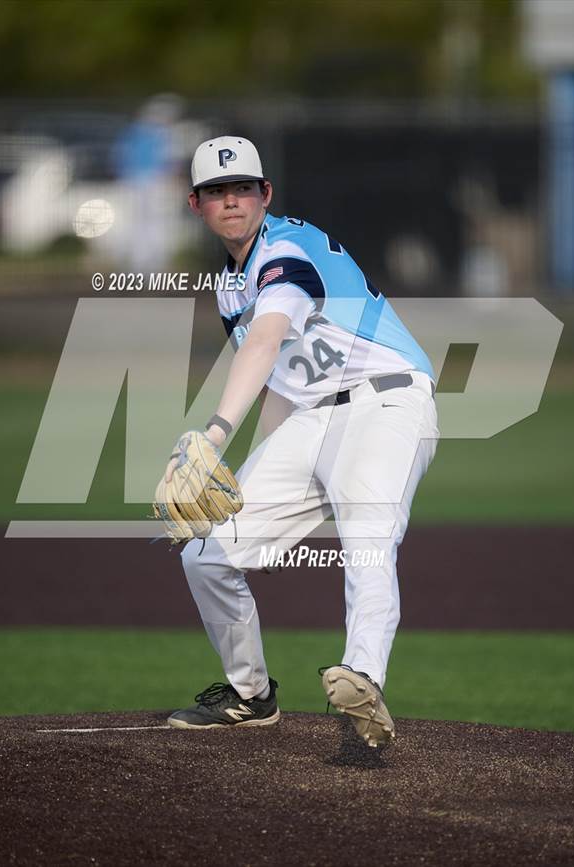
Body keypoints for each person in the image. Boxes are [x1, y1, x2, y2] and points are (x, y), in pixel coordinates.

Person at [164, 136, 439, 748]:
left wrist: (212, 434)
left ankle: (363, 679)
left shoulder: (288, 248)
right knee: (207, 554)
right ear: (196, 205)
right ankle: (250, 695)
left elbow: (267, 338)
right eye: (216, 192)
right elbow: (278, 381)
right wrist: (252, 470)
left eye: (243, 188)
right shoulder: (227, 284)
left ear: (266, 194)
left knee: (368, 539)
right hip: (313, 420)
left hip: (387, 399)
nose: (231, 201)